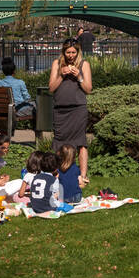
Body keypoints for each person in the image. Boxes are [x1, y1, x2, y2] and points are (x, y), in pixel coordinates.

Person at [49, 37, 92, 185]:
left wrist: (79, 77)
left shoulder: (84, 64)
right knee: (59, 142)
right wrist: (62, 74)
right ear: (63, 52)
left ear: (78, 52)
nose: (71, 55)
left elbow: (88, 89)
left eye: (73, 52)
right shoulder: (56, 64)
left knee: (81, 142)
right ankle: (58, 173)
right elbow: (51, 88)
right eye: (68, 52)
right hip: (60, 109)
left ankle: (83, 176)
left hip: (78, 109)